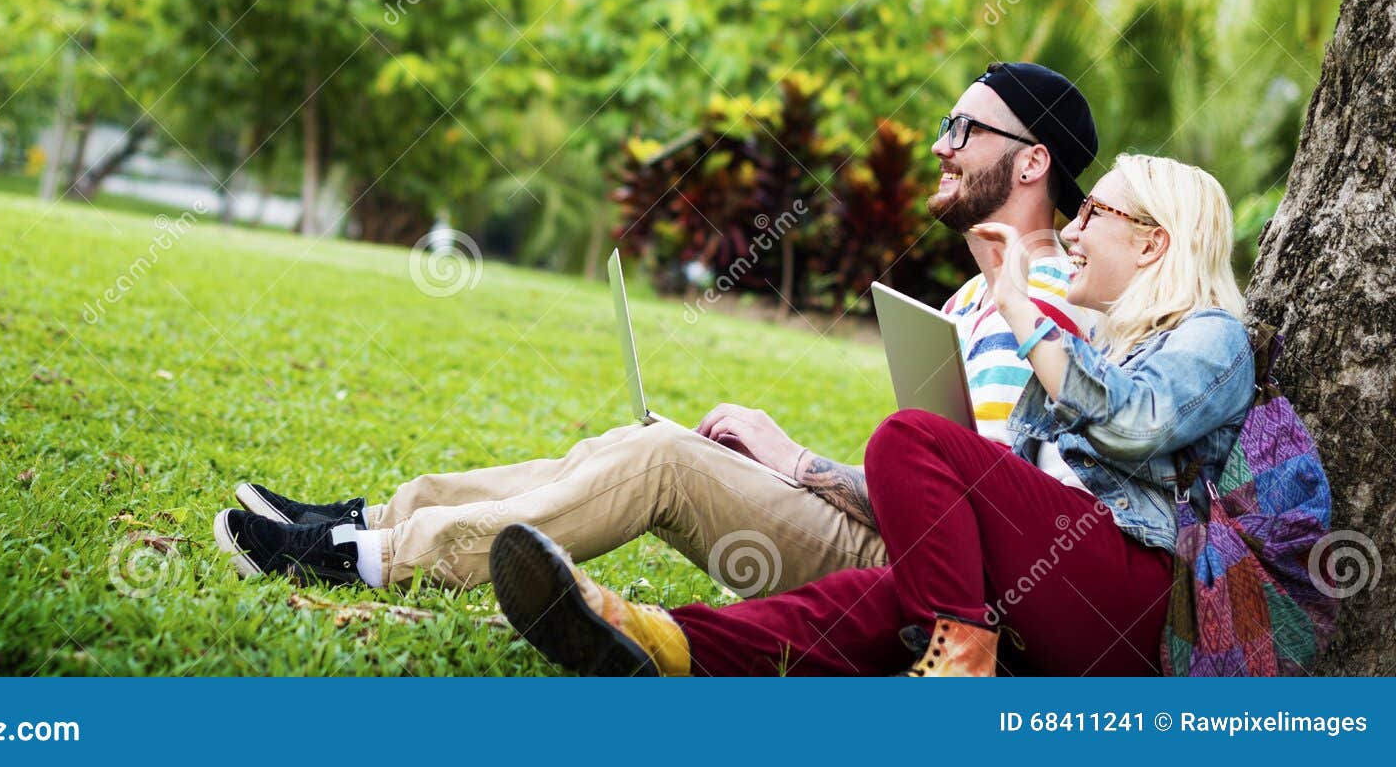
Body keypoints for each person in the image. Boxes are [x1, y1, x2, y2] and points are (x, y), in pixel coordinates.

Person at [212, 62, 1098, 598]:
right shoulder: (968, 302)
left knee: (663, 462)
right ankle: (372, 520)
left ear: (1030, 161)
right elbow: (930, 480)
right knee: (645, 438)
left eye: (962, 128)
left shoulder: (1045, 305)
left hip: (927, 585)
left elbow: (981, 517)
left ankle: (372, 561)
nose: (941, 146)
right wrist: (789, 464)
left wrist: (794, 463)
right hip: (899, 543)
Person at [490, 153, 1256, 678]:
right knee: (874, 604)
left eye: (1094, 212)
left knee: (911, 437)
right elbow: (1025, 475)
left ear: (1153, 242)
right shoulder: (1100, 343)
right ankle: (660, 640)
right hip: (1041, 601)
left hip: (1132, 604)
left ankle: (955, 669)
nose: (1075, 230)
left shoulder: (1211, 336)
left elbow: (1137, 426)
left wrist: (1021, 306)